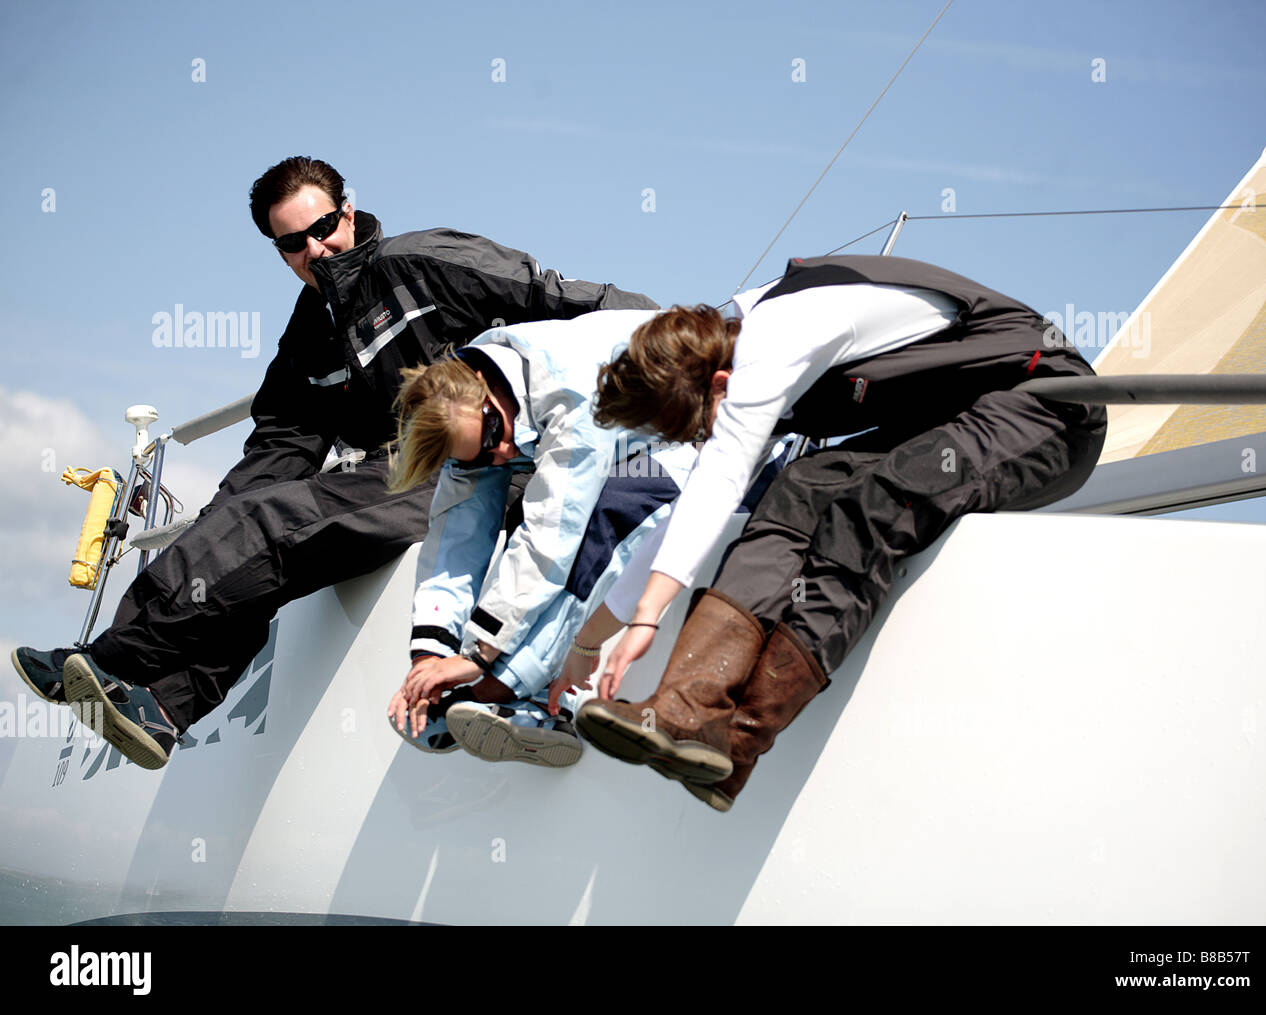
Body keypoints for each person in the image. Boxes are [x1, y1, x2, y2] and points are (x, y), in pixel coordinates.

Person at [10, 155, 655, 770]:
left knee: (271, 528)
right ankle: (163, 708)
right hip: (407, 477)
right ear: (279, 252)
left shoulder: (424, 262)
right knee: (251, 527)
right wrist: (218, 521)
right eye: (294, 244)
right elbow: (280, 445)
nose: (315, 249)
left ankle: (115, 661)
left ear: (349, 213)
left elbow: (566, 297)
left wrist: (694, 351)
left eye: (322, 228)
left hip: (504, 460)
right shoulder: (308, 334)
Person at [576, 254, 1108, 810]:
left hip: (1049, 409)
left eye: (695, 427)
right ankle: (685, 711)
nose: (698, 442)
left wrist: (648, 616)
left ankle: (738, 742)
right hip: (941, 423)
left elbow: (721, 476)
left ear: (720, 382)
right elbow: (690, 518)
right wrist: (603, 631)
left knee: (881, 500)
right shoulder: (754, 353)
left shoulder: (786, 330)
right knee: (797, 488)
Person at [385, 313, 697, 766]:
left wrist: (478, 656)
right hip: (638, 442)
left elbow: (554, 536)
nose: (504, 453)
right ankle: (505, 694)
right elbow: (456, 538)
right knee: (527, 509)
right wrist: (428, 655)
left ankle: (513, 689)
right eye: (485, 455)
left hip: (712, 439)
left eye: (494, 433)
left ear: (480, 382)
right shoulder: (470, 409)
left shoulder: (569, 389)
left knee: (608, 514)